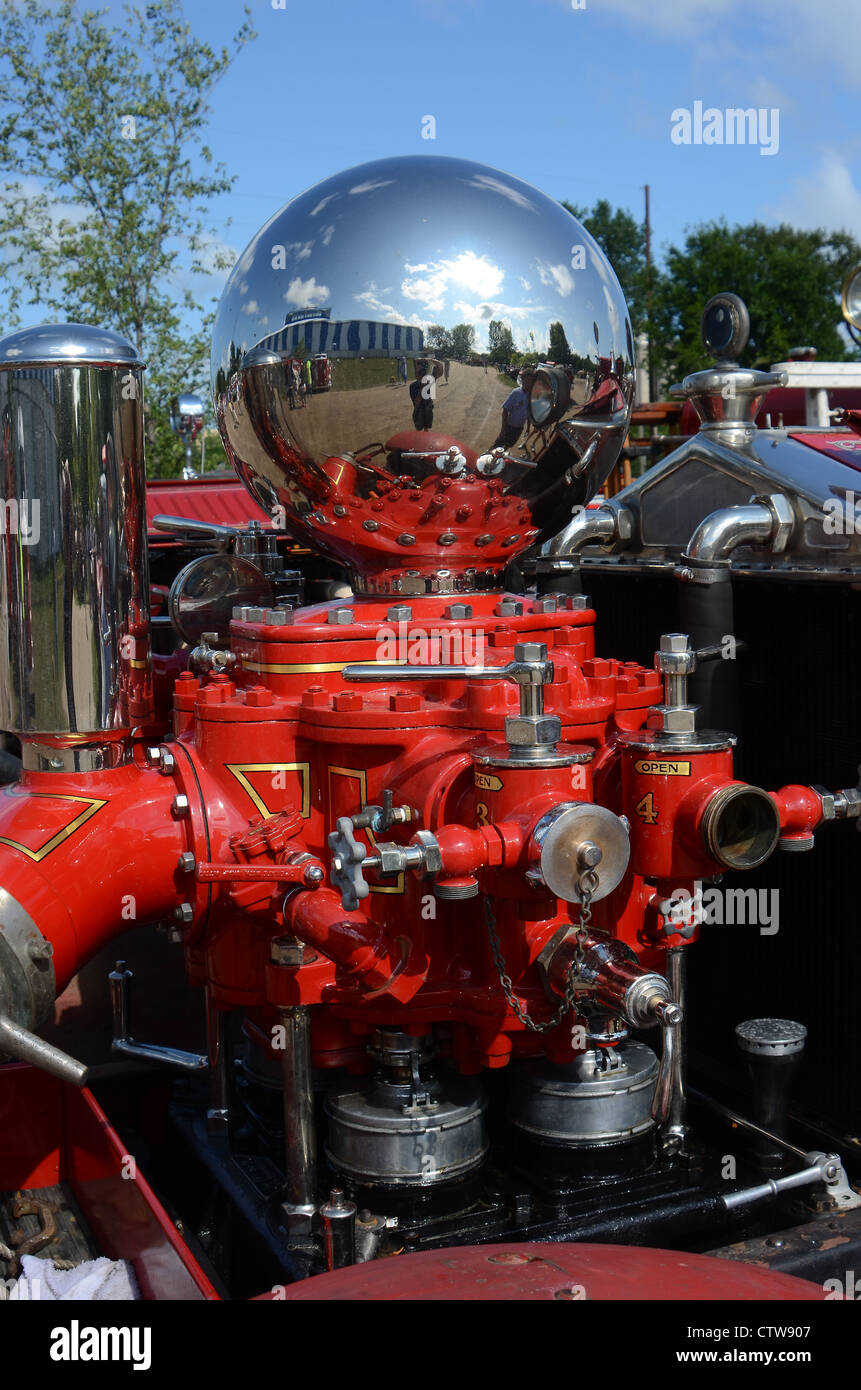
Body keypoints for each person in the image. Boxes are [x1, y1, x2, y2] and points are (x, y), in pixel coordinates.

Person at [492, 375, 528, 447]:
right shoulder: (516, 392)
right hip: (509, 426)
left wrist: (528, 428)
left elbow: (529, 412)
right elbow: (505, 410)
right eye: (526, 381)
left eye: (531, 381)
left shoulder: (531, 395)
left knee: (509, 445)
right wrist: (503, 429)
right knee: (497, 445)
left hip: (519, 428)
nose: (528, 384)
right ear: (522, 381)